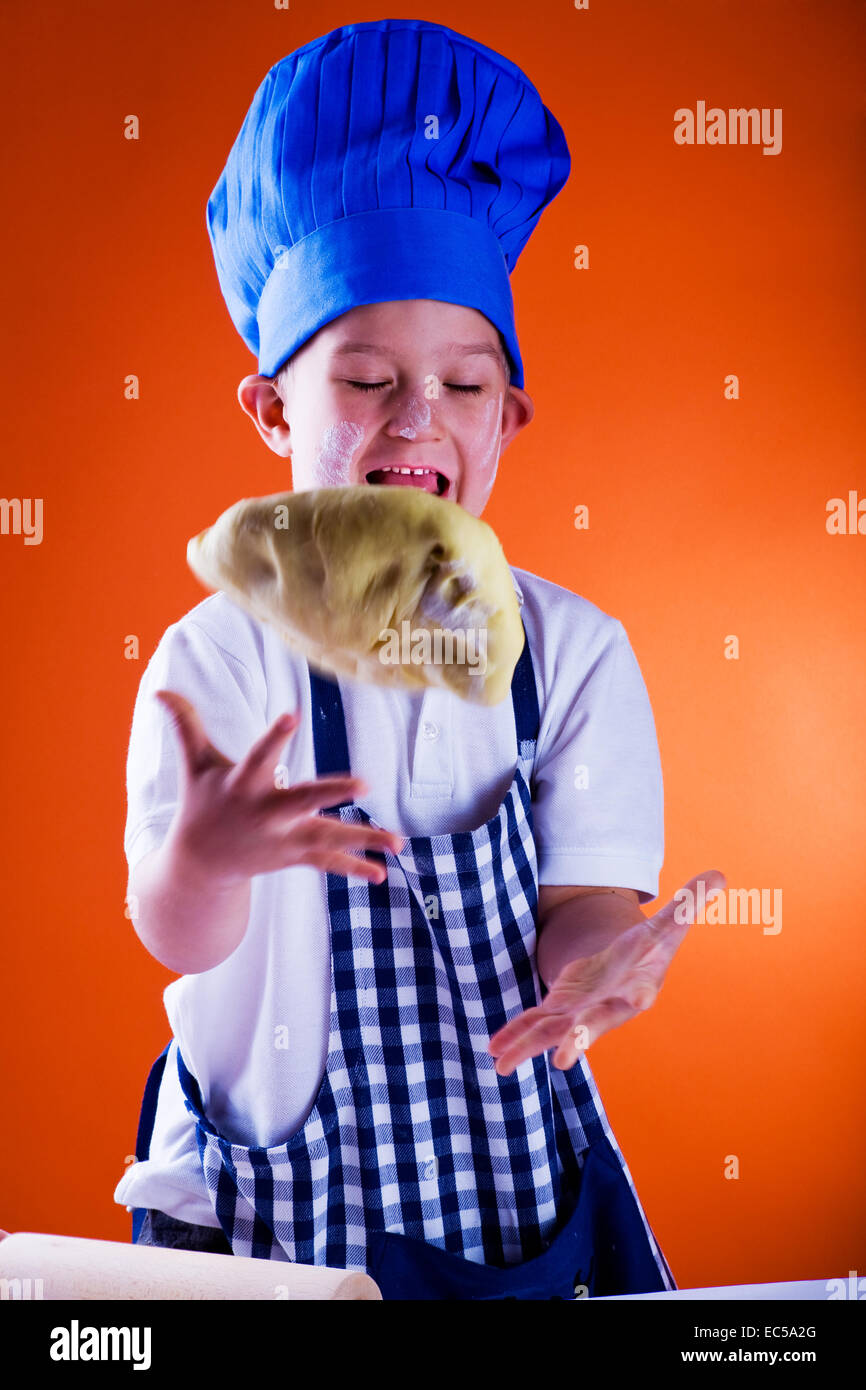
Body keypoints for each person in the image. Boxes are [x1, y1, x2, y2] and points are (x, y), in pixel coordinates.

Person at [115, 17, 724, 1299]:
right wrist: (206, 857)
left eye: (462, 383)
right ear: (271, 406)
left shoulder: (567, 654)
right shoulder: (218, 656)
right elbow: (173, 935)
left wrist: (597, 970)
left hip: (508, 1215)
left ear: (510, 415)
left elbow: (582, 905)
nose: (416, 417)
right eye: (366, 375)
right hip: (279, 1229)